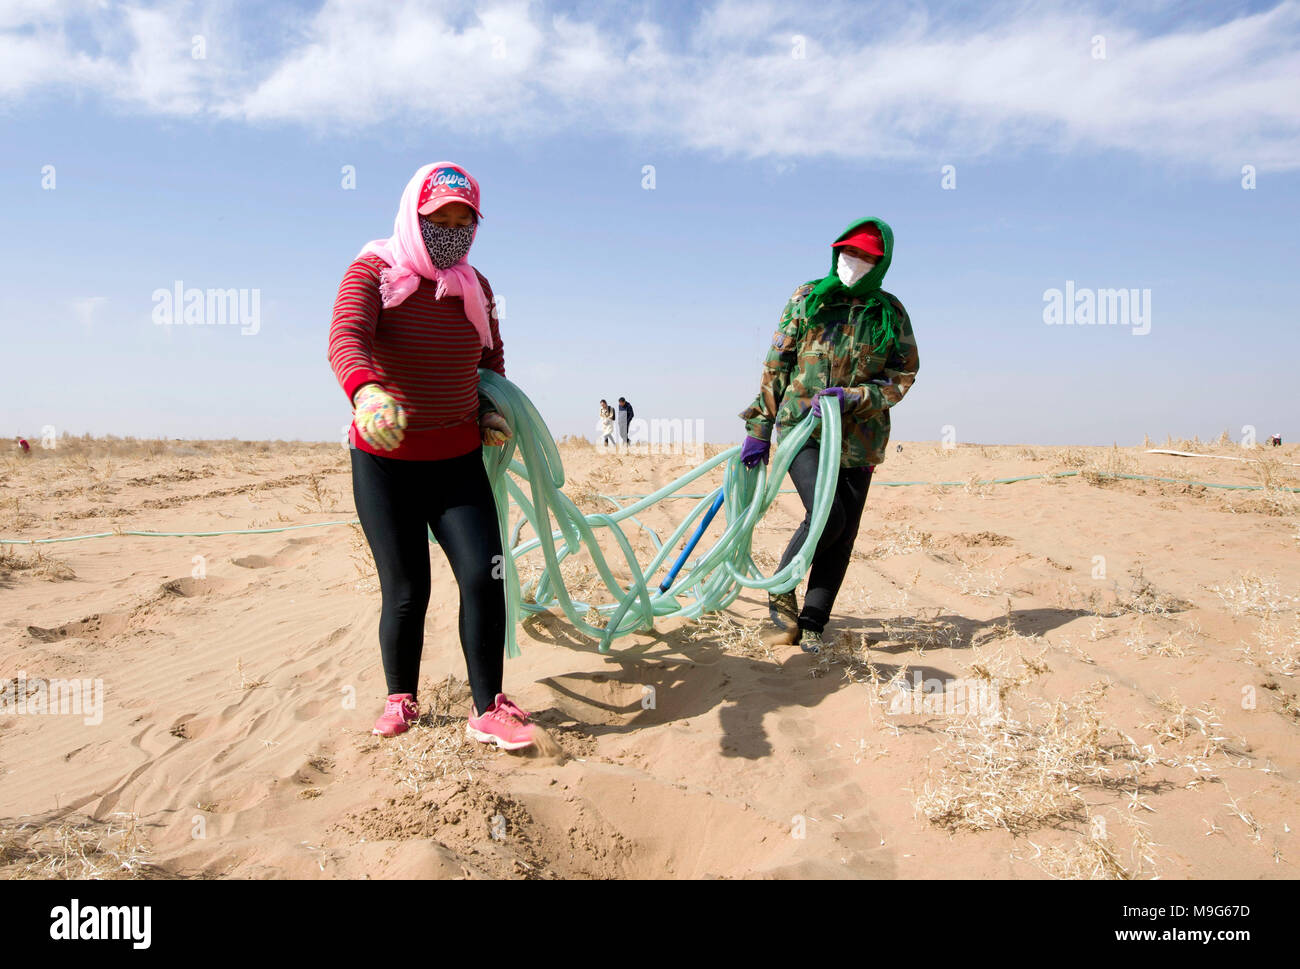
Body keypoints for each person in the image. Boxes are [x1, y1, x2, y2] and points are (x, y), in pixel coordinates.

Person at [328, 161, 534, 750]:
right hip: (385, 463)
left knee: (482, 574)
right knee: (406, 588)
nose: (450, 231)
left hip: (456, 462)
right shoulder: (371, 271)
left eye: (462, 222)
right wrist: (366, 392)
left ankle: (489, 707)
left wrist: (491, 412)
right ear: (412, 217)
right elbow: (345, 337)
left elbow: (490, 361)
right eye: (437, 220)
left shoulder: (477, 288)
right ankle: (401, 697)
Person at [738, 218, 920, 653]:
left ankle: (814, 623)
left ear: (881, 264)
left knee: (844, 534)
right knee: (827, 514)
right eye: (848, 252)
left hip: (861, 439)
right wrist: (760, 427)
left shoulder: (889, 312)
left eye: (865, 257)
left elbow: (904, 373)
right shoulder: (807, 298)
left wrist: (856, 396)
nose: (852, 262)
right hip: (804, 429)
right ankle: (781, 589)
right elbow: (777, 362)